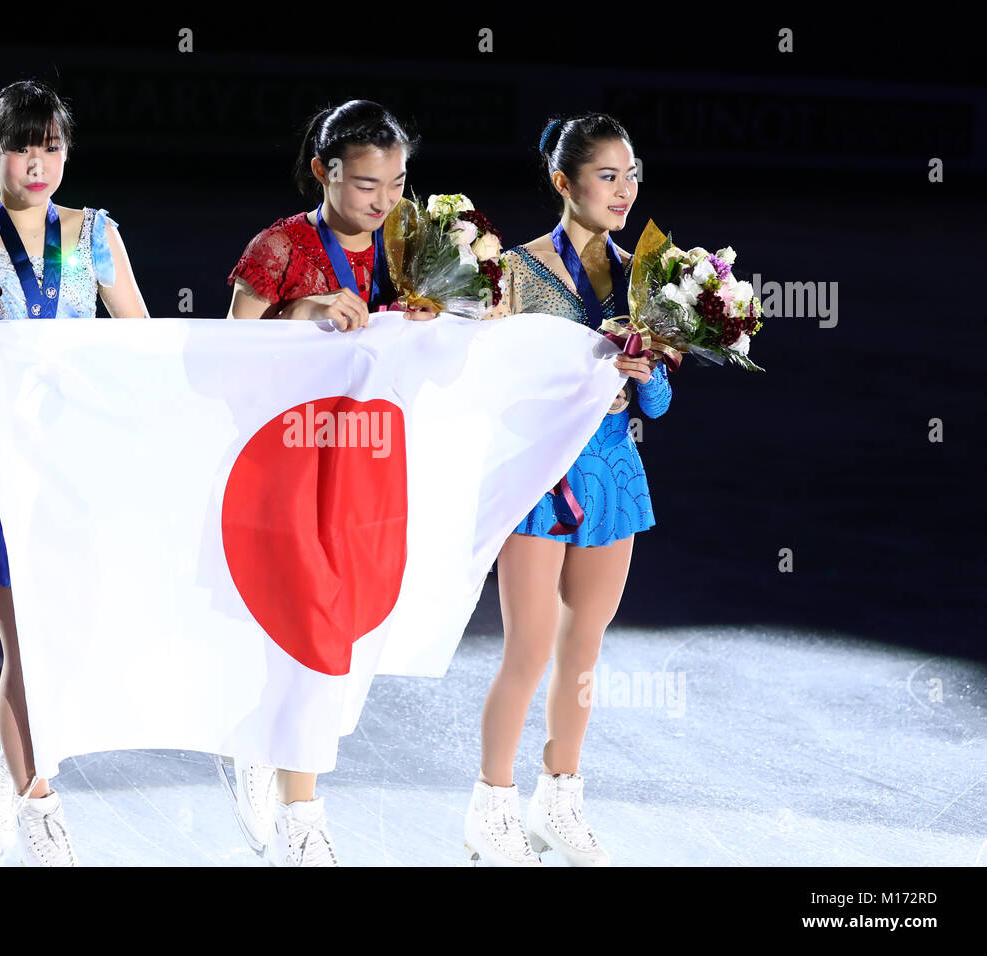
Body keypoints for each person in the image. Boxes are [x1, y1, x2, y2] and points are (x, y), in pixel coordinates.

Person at [0, 79, 148, 866]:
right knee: (30, 649)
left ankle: (1, 753)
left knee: (70, 644)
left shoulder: (94, 233)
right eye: (23, 145)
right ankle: (39, 805)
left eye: (51, 145)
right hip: (2, 470)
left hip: (79, 467)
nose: (38, 161)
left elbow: (139, 340)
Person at [224, 98, 433, 865]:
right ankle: (305, 814)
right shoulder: (280, 246)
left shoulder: (413, 247)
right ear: (324, 170)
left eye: (398, 184)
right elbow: (232, 347)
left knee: (338, 624)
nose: (383, 202)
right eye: (366, 185)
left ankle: (262, 742)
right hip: (284, 468)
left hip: (369, 469)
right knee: (310, 620)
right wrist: (306, 310)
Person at [468, 113, 671, 866]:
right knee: (526, 648)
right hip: (536, 477)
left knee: (582, 651)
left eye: (632, 174)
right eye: (606, 176)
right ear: (564, 181)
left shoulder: (648, 276)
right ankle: (490, 807)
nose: (624, 191)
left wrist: (646, 379)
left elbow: (660, 407)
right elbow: (486, 384)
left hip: (613, 476)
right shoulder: (514, 272)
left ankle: (559, 800)